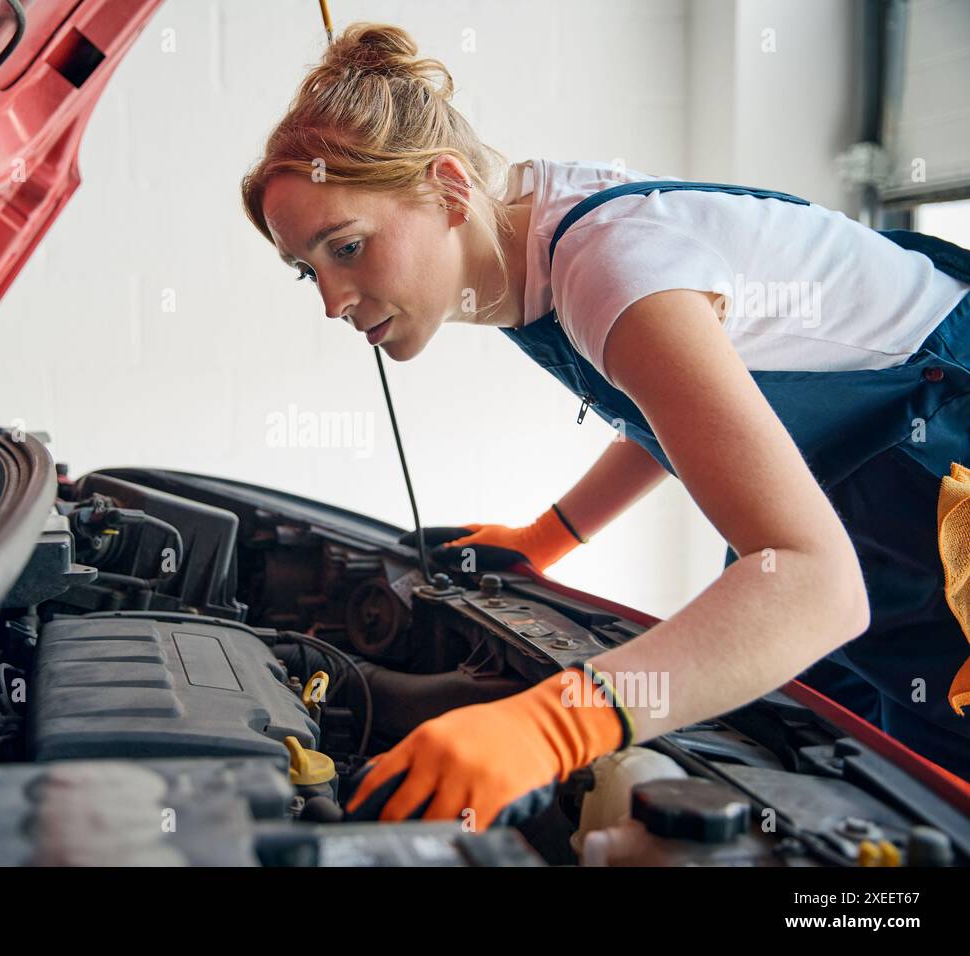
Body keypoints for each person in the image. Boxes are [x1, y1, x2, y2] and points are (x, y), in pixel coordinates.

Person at [240, 22, 970, 825]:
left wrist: (551, 728)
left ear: (449, 189)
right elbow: (681, 401)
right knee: (860, 785)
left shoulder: (613, 266)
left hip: (934, 498)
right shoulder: (526, 232)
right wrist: (553, 533)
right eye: (309, 269)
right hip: (860, 505)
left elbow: (817, 587)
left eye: (346, 246)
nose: (332, 301)